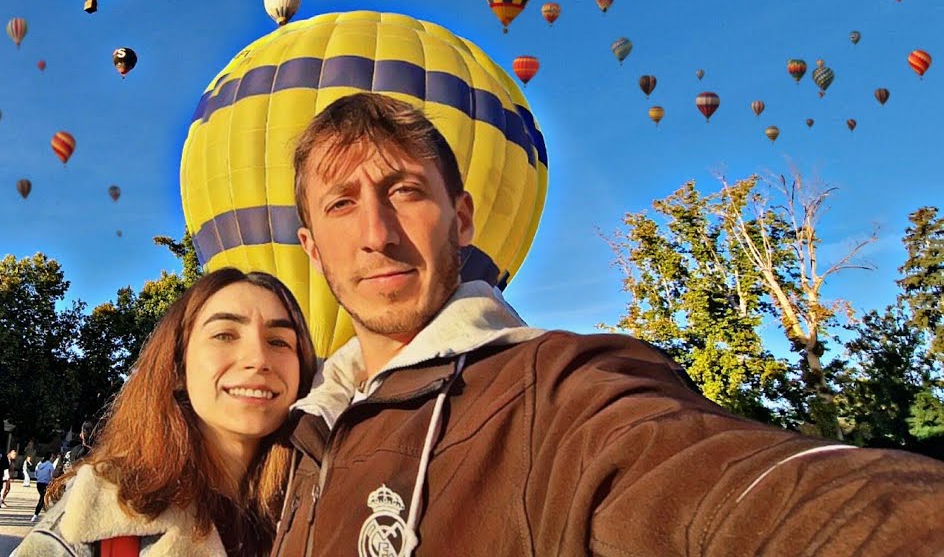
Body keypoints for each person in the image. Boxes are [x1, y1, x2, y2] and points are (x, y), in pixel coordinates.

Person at [267, 92, 944, 555]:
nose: (376, 234)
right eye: (342, 204)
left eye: (405, 192)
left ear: (464, 217)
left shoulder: (552, 392)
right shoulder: (299, 438)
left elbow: (722, 481)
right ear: (311, 249)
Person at [10, 267, 317, 557]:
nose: (258, 358)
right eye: (225, 335)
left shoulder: (332, 506)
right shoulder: (93, 520)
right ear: (178, 367)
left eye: (278, 341)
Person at [30, 452, 55, 523]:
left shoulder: (39, 464)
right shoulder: (50, 465)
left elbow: (36, 473)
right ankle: (35, 514)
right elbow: (53, 475)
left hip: (39, 483)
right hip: (45, 483)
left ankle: (45, 513)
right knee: (42, 499)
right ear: (50, 457)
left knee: (43, 498)